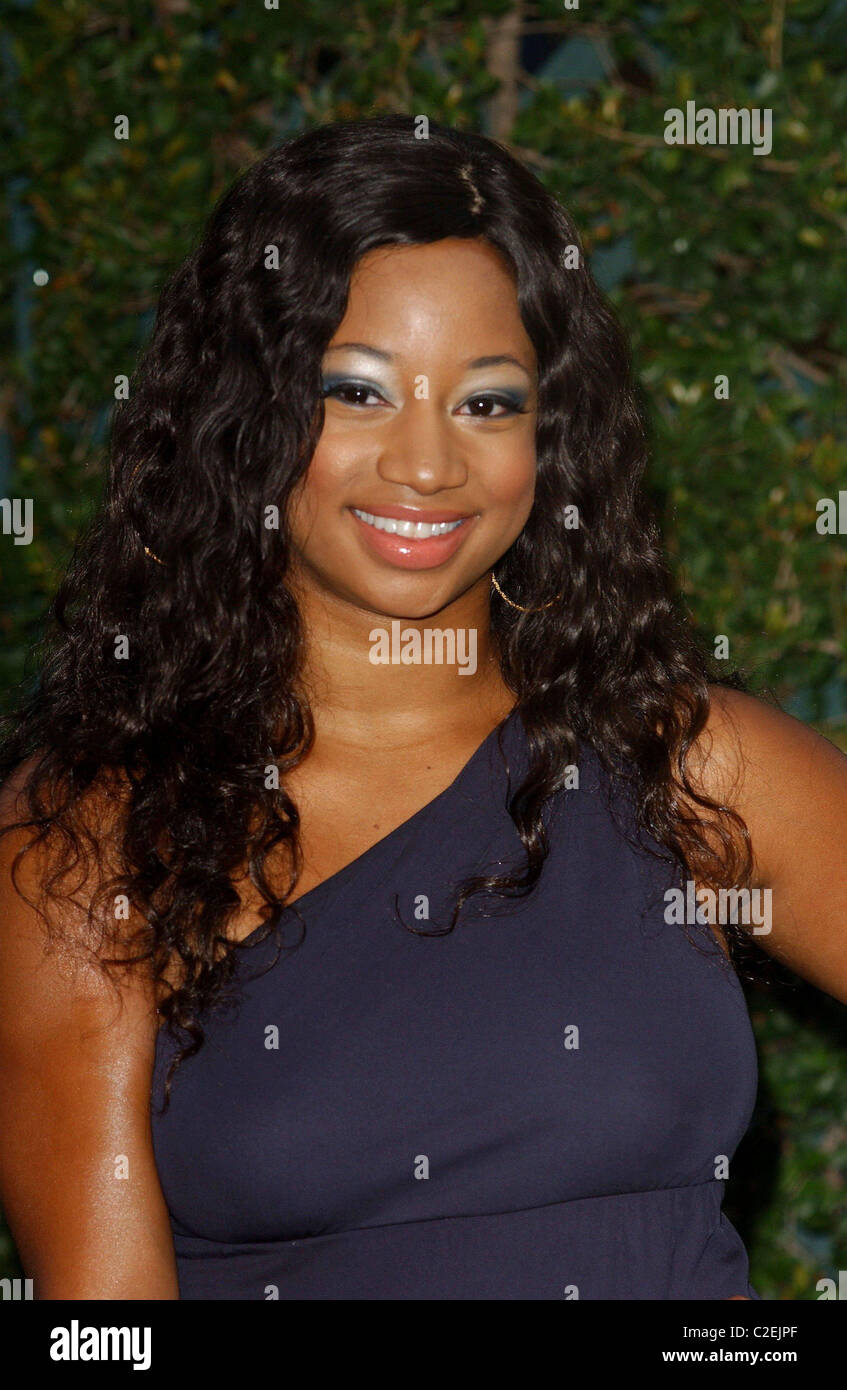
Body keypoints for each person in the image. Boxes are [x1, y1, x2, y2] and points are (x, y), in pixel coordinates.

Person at [0, 113, 845, 1301]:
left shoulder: (684, 762)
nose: (427, 464)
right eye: (357, 391)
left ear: (550, 439)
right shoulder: (94, 833)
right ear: (245, 418)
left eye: (487, 403)